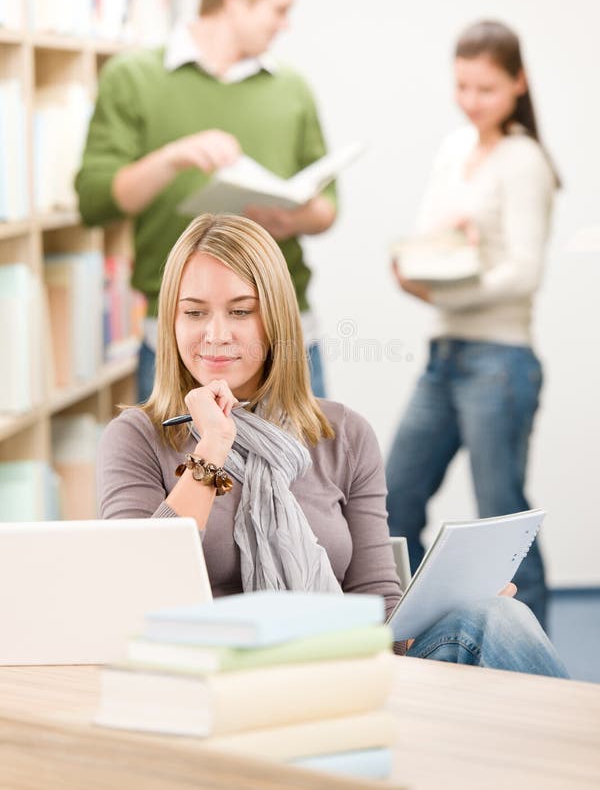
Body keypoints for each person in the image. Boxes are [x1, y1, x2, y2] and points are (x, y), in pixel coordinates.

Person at [97, 213, 567, 677]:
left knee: (498, 618)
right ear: (170, 321)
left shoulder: (344, 433)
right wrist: (213, 446)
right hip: (217, 678)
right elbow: (135, 587)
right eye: (194, 312)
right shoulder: (137, 437)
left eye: (241, 311)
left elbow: (377, 602)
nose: (216, 335)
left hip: (338, 669)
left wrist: (451, 604)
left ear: (275, 321)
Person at [75, 0, 336, 402]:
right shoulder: (134, 78)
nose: (285, 24)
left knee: (306, 473)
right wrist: (172, 157)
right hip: (179, 342)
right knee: (179, 474)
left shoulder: (291, 88)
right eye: (278, 9)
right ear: (235, 0)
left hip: (289, 337)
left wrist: (291, 216)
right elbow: (95, 200)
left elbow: (328, 208)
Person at [386, 20, 559, 629]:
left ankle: (530, 660)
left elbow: (525, 272)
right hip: (446, 356)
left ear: (518, 83)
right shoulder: (455, 148)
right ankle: (406, 640)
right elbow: (431, 244)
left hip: (500, 361)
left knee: (501, 520)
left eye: (486, 88)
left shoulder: (524, 159)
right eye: (462, 86)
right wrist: (416, 270)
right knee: (393, 502)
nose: (472, 101)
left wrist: (454, 281)